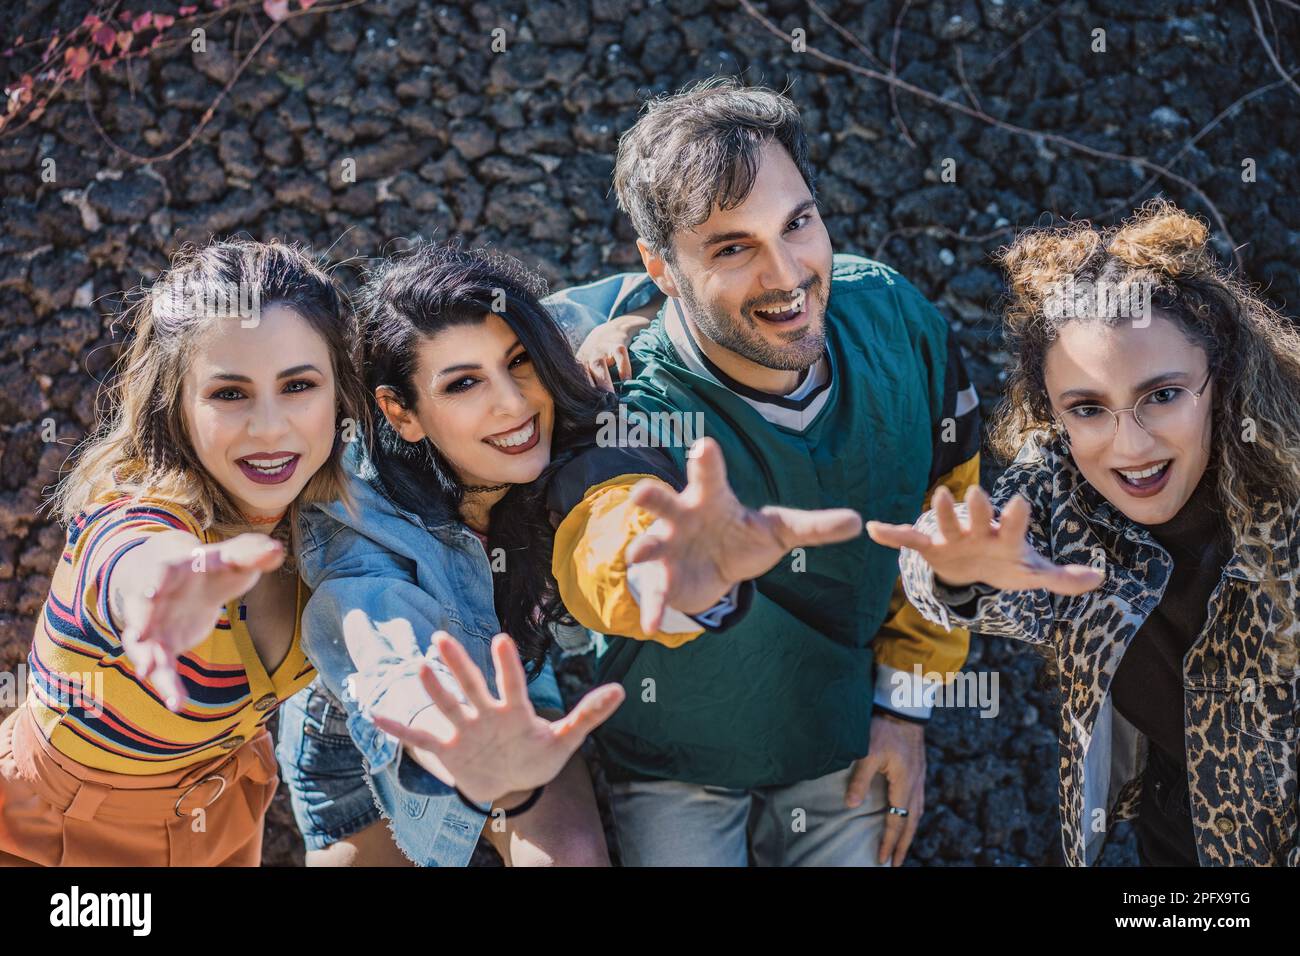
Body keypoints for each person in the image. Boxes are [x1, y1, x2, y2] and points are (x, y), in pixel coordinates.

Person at [540, 76, 982, 866]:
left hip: (842, 734)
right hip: (674, 757)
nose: (787, 274)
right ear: (661, 268)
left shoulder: (895, 321)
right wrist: (671, 576)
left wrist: (905, 709)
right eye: (733, 246)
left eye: (798, 222)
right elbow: (596, 542)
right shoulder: (619, 389)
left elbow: (949, 522)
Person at [869, 199, 1300, 867]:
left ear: (1221, 379)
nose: (1131, 445)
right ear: (1053, 416)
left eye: (1162, 395)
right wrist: (954, 569)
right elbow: (961, 572)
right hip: (1179, 841)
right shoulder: (1063, 490)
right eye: (1089, 408)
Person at [0, 240, 369, 866]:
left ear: (339, 392)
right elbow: (132, 557)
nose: (270, 426)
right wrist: (158, 585)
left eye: (299, 385)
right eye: (229, 393)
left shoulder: (335, 516)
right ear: (176, 406)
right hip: (49, 835)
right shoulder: (132, 513)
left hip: (220, 820)